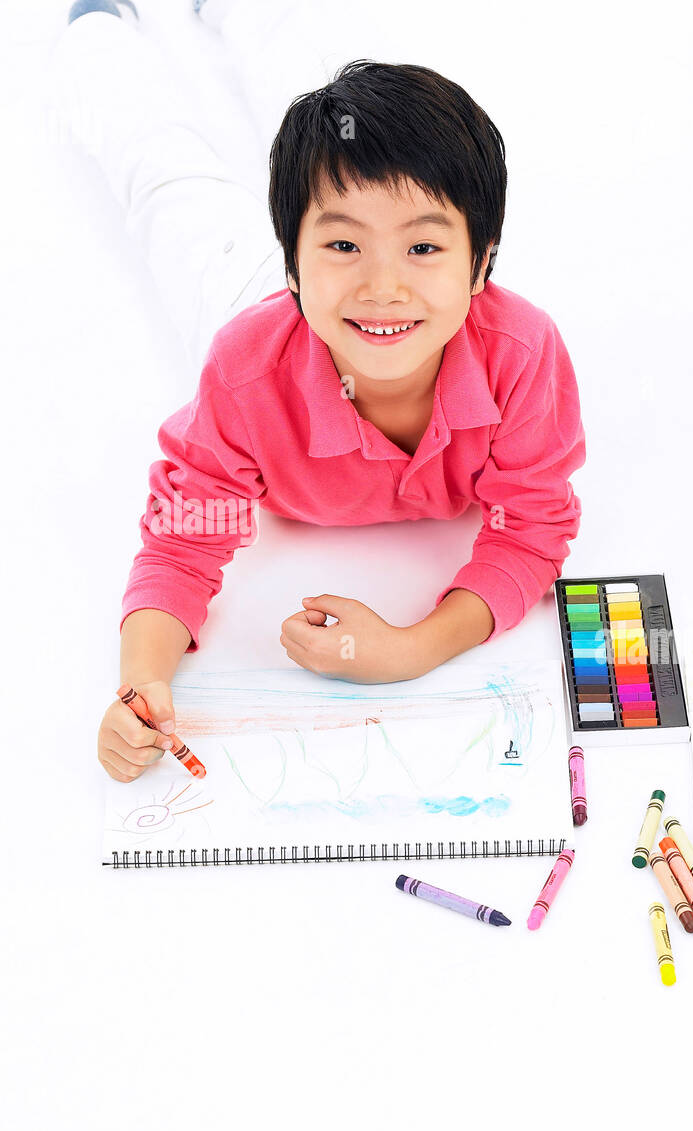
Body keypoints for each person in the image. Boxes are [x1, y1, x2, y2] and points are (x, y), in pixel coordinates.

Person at [63, 4, 585, 783]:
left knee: (320, 98)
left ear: (481, 266)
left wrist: (414, 646)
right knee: (169, 178)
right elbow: (183, 538)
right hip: (248, 300)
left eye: (424, 247)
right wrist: (142, 683)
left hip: (319, 304)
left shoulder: (522, 354)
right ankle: (95, 30)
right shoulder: (246, 372)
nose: (383, 286)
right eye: (342, 244)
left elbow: (531, 532)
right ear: (295, 260)